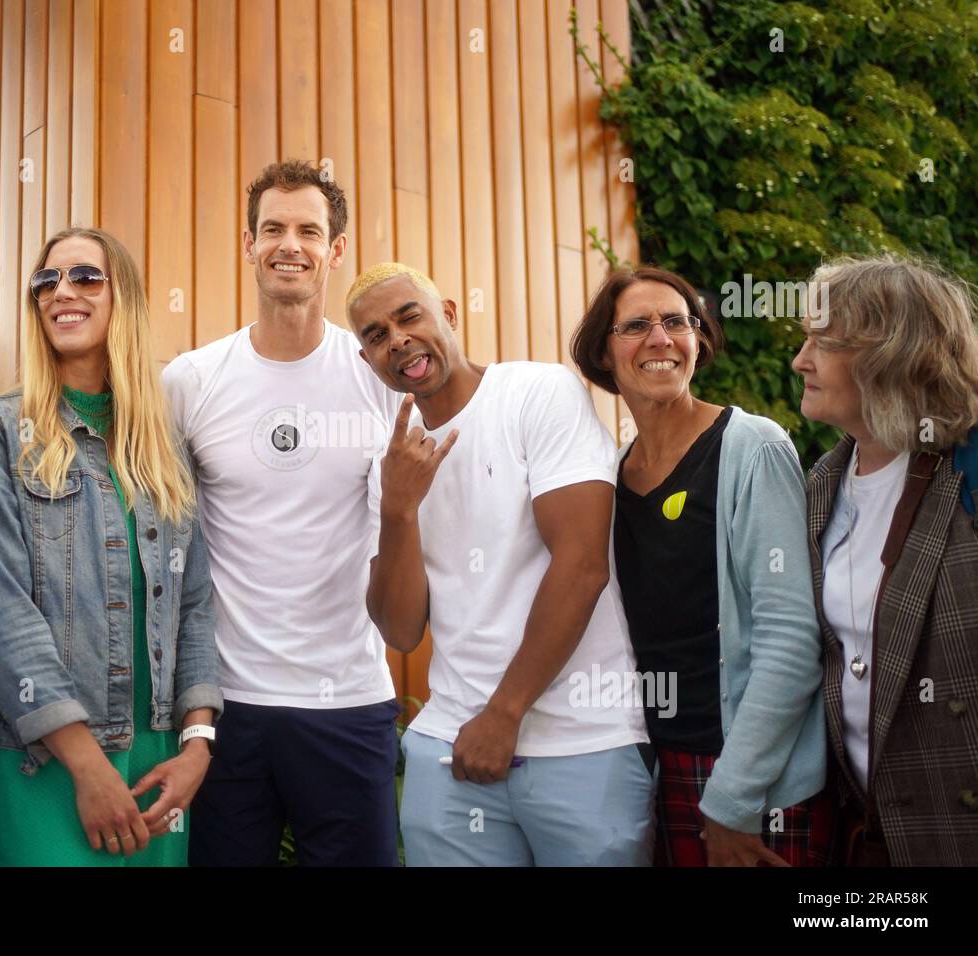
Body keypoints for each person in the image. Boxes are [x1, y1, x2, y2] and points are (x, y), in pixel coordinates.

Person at [349, 262, 653, 866]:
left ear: (451, 316)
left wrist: (504, 713)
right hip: (451, 747)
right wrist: (399, 510)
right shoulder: (392, 462)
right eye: (376, 335)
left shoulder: (537, 392)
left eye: (409, 315)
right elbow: (401, 630)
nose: (397, 339)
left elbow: (583, 564)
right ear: (367, 361)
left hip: (581, 740)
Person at [162, 160, 400, 867]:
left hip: (350, 700)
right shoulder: (193, 381)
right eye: (272, 229)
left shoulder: (378, 379)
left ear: (336, 249)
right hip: (227, 704)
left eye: (307, 230)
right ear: (248, 243)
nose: (288, 244)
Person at [0, 227, 220, 867]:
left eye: (85, 277)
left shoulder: (165, 446)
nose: (62, 292)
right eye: (47, 281)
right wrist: (88, 767)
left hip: (158, 757)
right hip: (43, 758)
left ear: (122, 299)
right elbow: (2, 611)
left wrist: (196, 746)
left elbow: (195, 606)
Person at [570, 266, 829, 866]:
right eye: (636, 325)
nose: (660, 338)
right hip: (655, 772)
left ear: (698, 339)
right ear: (605, 354)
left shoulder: (753, 448)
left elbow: (790, 640)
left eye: (676, 322)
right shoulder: (608, 475)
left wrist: (733, 797)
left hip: (750, 778)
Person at [793, 254, 978, 866]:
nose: (800, 360)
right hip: (873, 832)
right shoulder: (820, 484)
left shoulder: (967, 472)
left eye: (824, 343)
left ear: (890, 355)